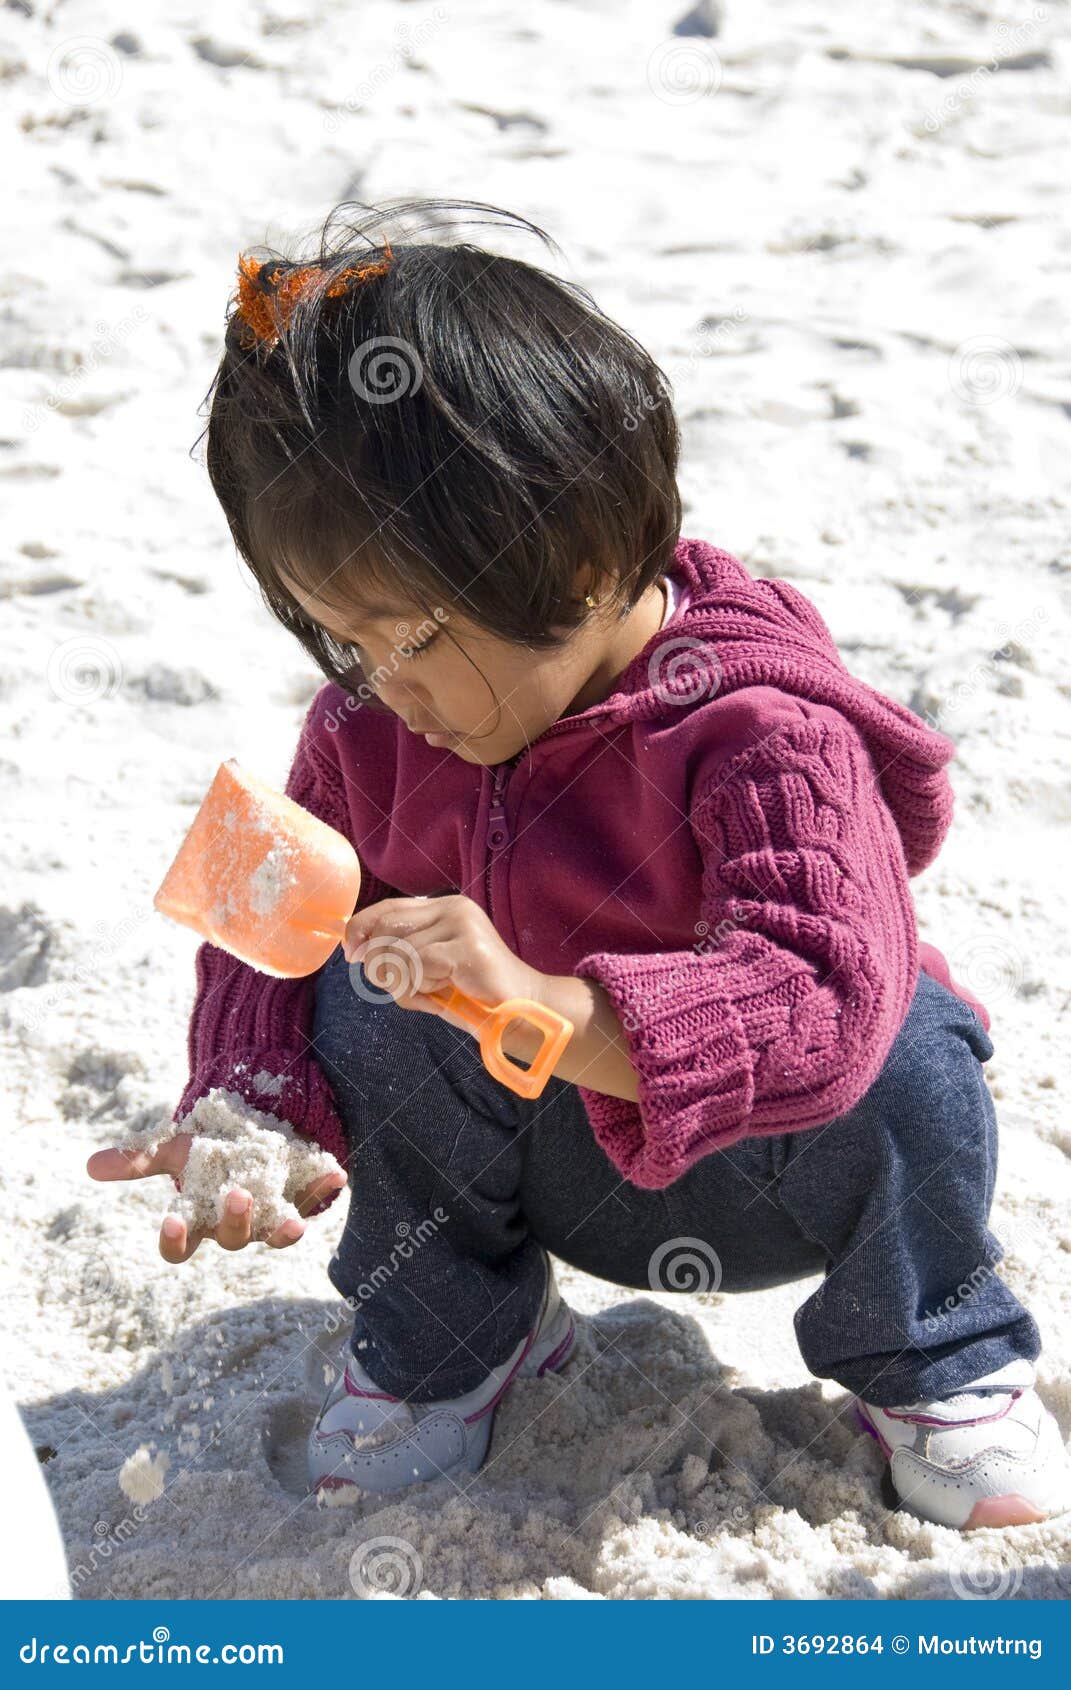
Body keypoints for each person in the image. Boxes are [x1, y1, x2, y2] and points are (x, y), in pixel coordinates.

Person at [89, 198, 1070, 1530]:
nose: (382, 685)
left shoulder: (761, 730)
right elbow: (268, 926)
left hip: (776, 1167)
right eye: (341, 640)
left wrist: (555, 1010)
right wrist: (246, 1101)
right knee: (368, 988)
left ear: (590, 558)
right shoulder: (371, 729)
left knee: (912, 1051)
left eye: (414, 637)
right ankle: (451, 1342)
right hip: (548, 1173)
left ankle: (935, 1358)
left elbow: (825, 998)